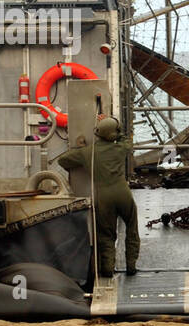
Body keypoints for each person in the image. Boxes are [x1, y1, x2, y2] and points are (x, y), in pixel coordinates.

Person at [56, 116, 140, 278]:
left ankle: (108, 268)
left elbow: (63, 161)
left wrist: (80, 152)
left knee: (106, 234)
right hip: (123, 193)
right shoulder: (120, 148)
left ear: (98, 134)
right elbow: (127, 140)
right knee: (132, 228)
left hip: (103, 196)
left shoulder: (88, 153)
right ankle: (131, 266)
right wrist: (113, 122)